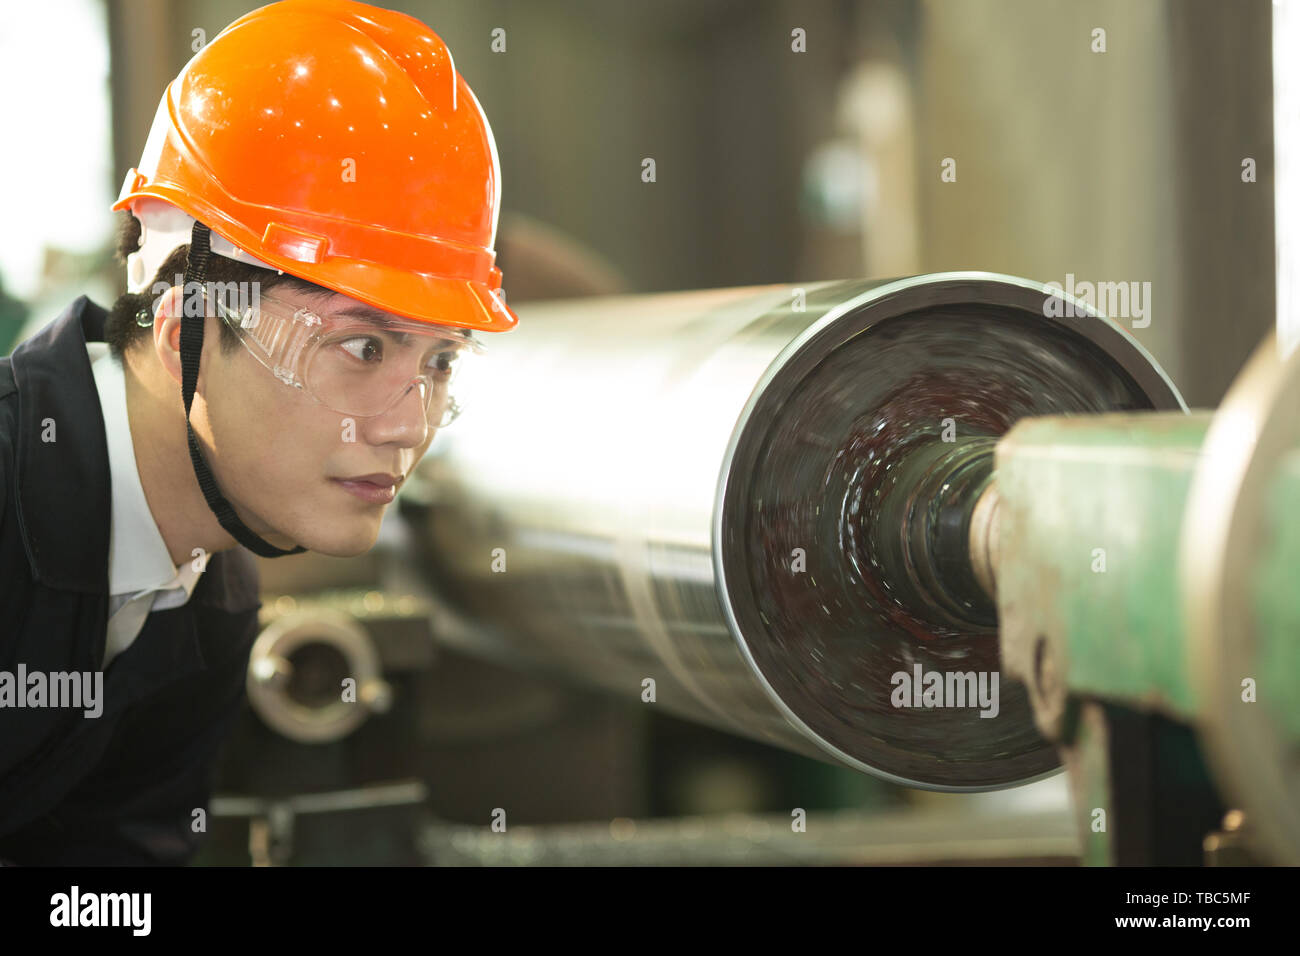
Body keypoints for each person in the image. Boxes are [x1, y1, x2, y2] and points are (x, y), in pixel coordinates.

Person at [0, 0, 519, 864]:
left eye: (438, 363)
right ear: (182, 333)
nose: (410, 426)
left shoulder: (211, 598)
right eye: (362, 347)